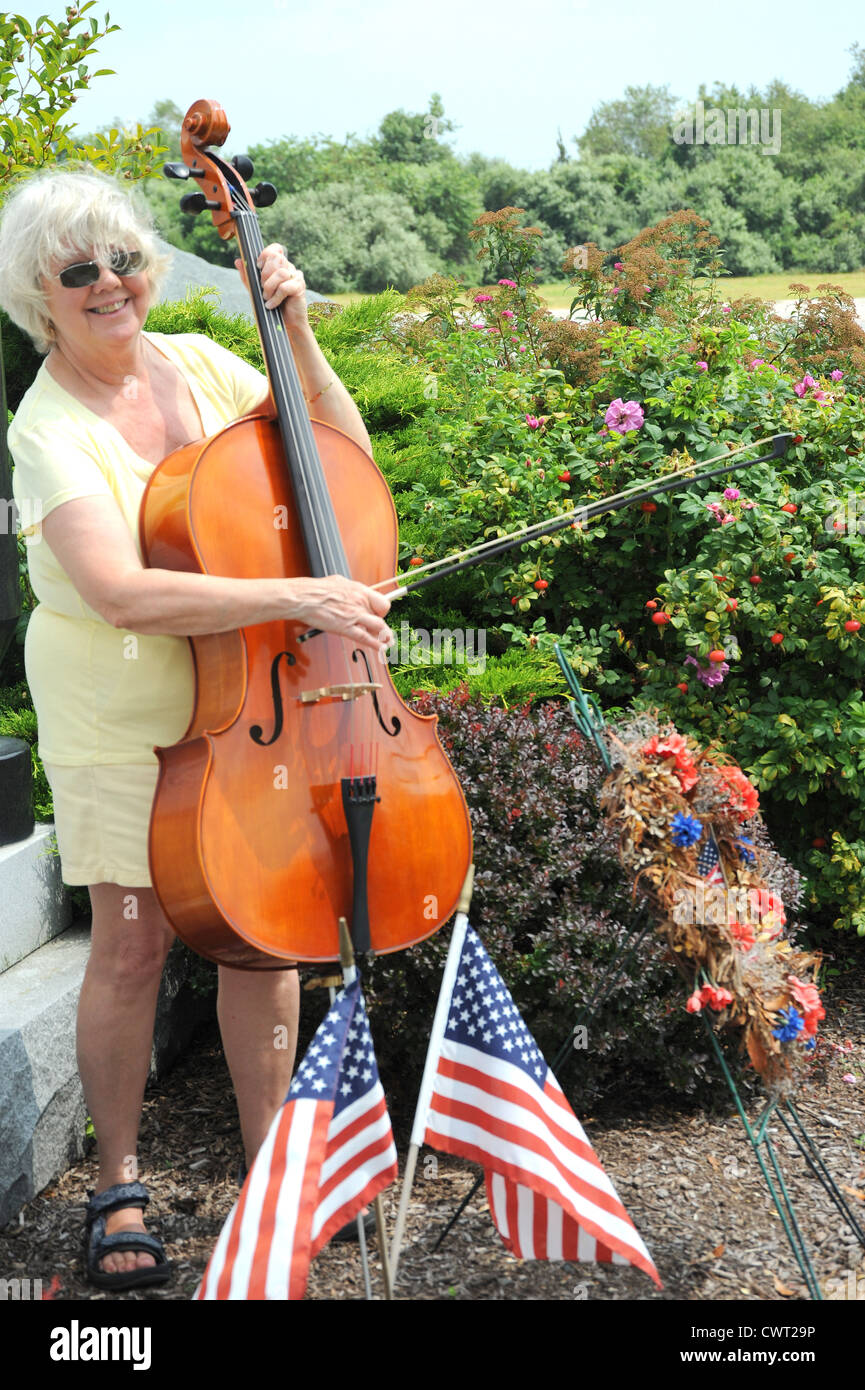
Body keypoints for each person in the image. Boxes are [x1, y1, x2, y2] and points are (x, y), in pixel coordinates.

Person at [0, 168, 393, 1290]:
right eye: (78, 271)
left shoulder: (202, 363)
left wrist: (298, 334)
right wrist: (295, 600)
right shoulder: (48, 426)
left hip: (245, 695)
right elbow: (119, 590)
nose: (108, 284)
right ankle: (118, 1182)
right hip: (118, 704)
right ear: (39, 295)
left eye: (122, 259)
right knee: (132, 939)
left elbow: (337, 447)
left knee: (260, 928)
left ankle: (271, 1169)